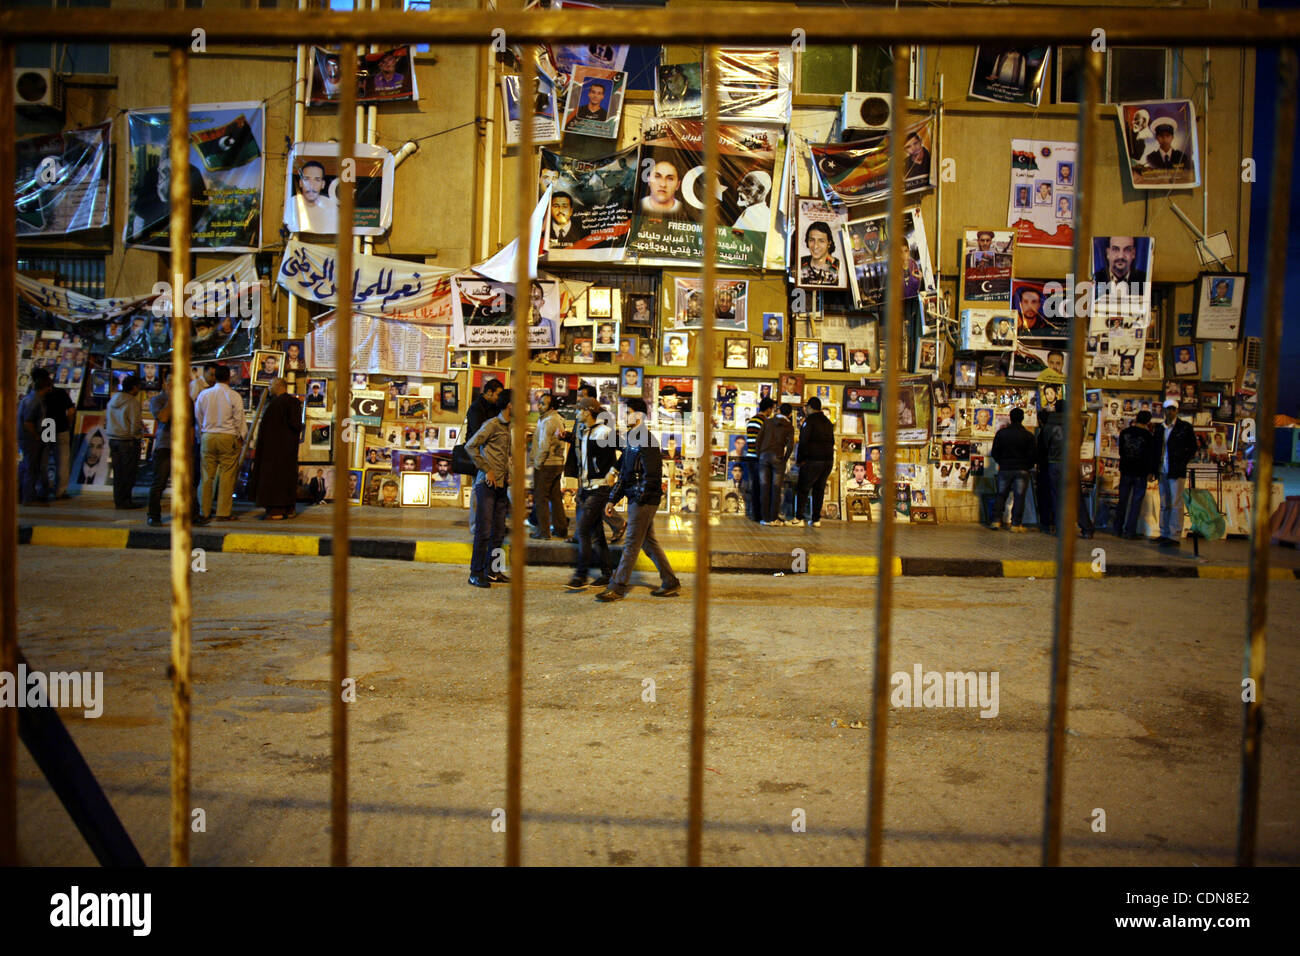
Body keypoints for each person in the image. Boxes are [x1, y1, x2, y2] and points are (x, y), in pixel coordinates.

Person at [598, 398, 679, 601]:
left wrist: (640, 498)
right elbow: (625, 474)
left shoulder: (646, 440)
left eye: (629, 412)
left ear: (640, 416)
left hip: (643, 500)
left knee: (632, 543)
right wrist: (612, 499)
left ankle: (617, 586)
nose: (625, 416)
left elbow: (653, 475)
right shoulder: (630, 439)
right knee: (648, 543)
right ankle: (670, 581)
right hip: (638, 498)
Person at [564, 398, 621, 590]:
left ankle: (580, 576)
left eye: (579, 410)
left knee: (582, 529)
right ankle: (607, 574)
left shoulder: (604, 432)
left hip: (600, 489)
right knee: (597, 533)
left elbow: (627, 450)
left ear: (588, 412)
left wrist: (613, 472)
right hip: (585, 489)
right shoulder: (582, 431)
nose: (577, 414)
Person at [465, 388, 514, 588]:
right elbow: (470, 446)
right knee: (484, 532)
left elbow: (503, 455)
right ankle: (475, 573)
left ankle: (493, 571)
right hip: (486, 484)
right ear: (510, 405)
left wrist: (507, 475)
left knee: (499, 531)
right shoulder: (492, 424)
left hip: (501, 486)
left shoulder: (509, 427)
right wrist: (487, 470)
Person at [194, 364, 246, 524]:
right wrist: (240, 437)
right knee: (226, 476)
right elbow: (239, 419)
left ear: (214, 377)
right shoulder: (234, 395)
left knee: (206, 476)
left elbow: (198, 416)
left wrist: (203, 433)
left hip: (208, 436)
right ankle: (223, 512)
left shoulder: (204, 394)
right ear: (228, 378)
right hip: (227, 437)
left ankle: (204, 511)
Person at [1036, 399, 1095, 538]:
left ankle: (1060, 528)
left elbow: (1045, 445)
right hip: (1070, 463)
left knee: (1056, 497)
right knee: (1075, 497)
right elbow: (1080, 442)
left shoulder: (1049, 425)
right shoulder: (1076, 424)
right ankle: (1086, 528)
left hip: (1054, 463)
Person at [252, 377, 303, 520]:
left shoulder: (276, 404)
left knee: (274, 480)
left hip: (273, 451)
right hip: (288, 451)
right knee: (287, 478)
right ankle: (288, 508)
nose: (269, 387)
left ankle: (276, 511)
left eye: (270, 384)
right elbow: (296, 426)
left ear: (279, 386)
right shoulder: (293, 402)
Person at [1153, 398, 1198, 547]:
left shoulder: (1184, 427)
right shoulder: (1160, 428)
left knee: (1176, 503)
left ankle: (1174, 534)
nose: (1170, 411)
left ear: (1177, 410)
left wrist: (1182, 461)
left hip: (1176, 469)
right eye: (1168, 409)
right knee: (1165, 503)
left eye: (1173, 409)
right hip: (1163, 469)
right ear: (1165, 411)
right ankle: (1164, 532)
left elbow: (1192, 447)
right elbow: (1156, 450)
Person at [988, 407, 1036, 531]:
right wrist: (1027, 466)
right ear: (1022, 419)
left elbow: (995, 452)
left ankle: (996, 521)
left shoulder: (1001, 433)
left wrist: (1002, 462)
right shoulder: (1028, 436)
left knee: (1001, 495)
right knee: (1019, 496)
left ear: (1010, 417)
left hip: (1004, 469)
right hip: (1022, 470)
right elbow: (1033, 455)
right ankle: (1016, 524)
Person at [530, 392, 569, 540]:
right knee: (555, 497)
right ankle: (561, 530)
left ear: (551, 407)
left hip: (546, 464)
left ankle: (543, 532)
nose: (539, 405)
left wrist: (538, 464)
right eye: (539, 402)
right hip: (557, 464)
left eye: (543, 403)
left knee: (541, 499)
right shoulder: (557, 418)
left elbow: (544, 446)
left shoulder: (548, 421)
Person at [1115, 410, 1156, 539]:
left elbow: (1121, 451)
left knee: (1122, 500)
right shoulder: (1148, 436)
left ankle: (1117, 528)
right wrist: (1151, 472)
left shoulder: (1125, 432)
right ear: (1148, 421)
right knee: (1136, 502)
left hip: (1126, 470)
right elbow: (1150, 456)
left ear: (1136, 418)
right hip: (1140, 472)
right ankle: (1130, 531)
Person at [106, 374, 145, 510]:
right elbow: (135, 425)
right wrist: (138, 435)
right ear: (134, 387)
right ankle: (126, 501)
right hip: (128, 441)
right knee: (128, 473)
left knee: (118, 472)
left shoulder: (113, 399)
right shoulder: (132, 402)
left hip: (113, 439)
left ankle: (118, 500)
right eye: (139, 386)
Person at [794, 396, 834, 527]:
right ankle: (816, 519)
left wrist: (799, 459)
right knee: (819, 489)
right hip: (827, 461)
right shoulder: (828, 422)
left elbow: (803, 441)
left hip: (812, 460)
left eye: (806, 407)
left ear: (810, 407)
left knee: (803, 489)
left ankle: (799, 518)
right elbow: (832, 442)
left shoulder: (809, 421)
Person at [145, 368, 176, 525]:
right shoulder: (157, 400)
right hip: (165, 446)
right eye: (170, 380)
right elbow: (163, 417)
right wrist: (171, 398)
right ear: (165, 382)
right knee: (159, 483)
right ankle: (153, 515)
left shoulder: (186, 400)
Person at [38, 377, 76, 501]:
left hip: (47, 426)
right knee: (63, 461)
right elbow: (71, 410)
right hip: (61, 427)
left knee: (44, 460)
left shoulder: (41, 395)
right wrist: (68, 424)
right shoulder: (60, 392)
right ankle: (60, 491)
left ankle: (44, 488)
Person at [19, 369, 52, 506]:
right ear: (46, 387)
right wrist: (37, 437)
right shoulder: (35, 401)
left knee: (28, 467)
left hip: (26, 439)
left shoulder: (29, 398)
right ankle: (29, 498)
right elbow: (28, 422)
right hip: (30, 440)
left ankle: (24, 494)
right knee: (31, 468)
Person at [757, 402, 794, 526]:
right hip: (778, 457)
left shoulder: (767, 422)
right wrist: (785, 458)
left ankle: (765, 518)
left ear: (778, 411)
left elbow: (759, 439)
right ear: (789, 414)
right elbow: (790, 446)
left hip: (763, 457)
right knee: (776, 488)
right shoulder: (789, 425)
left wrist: (759, 454)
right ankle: (773, 519)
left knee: (764, 487)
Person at [743, 398, 770, 521]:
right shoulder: (766, 421)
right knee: (763, 487)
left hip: (750, 456)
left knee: (754, 486)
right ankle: (761, 514)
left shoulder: (751, 420)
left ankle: (754, 513)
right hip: (760, 457)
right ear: (769, 409)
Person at [640, 157, 692, 221]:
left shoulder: (685, 212)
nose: (663, 184)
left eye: (670, 179)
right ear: (648, 180)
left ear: (678, 185)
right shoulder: (637, 206)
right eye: (657, 177)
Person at [295, 160, 337, 232]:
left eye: (317, 180)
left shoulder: (332, 209)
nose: (311, 185)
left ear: (323, 184)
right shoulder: (291, 205)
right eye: (306, 179)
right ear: (300, 183)